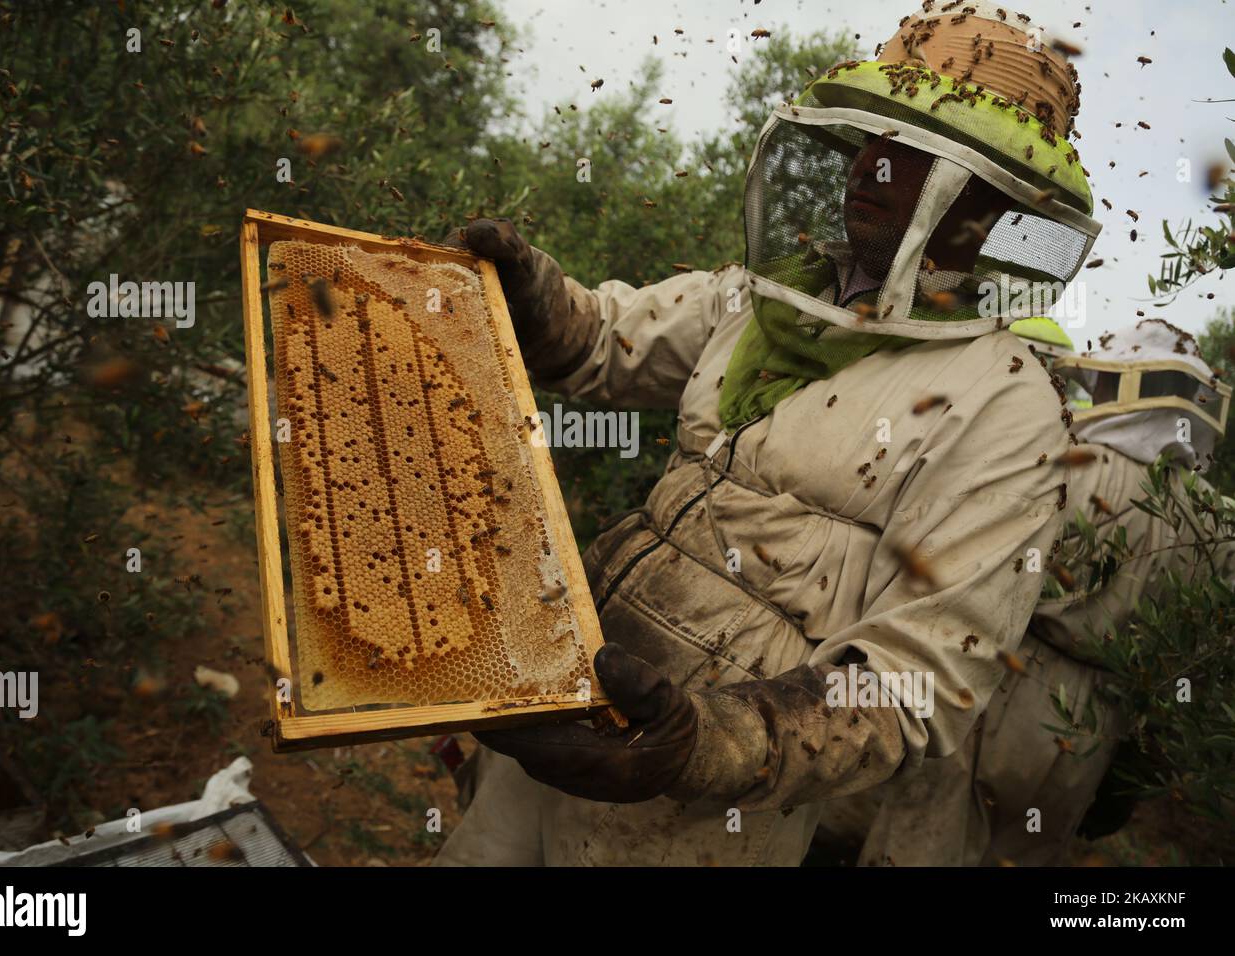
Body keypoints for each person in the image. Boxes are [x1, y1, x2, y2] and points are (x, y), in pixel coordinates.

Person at [436, 1, 1103, 866]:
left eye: (907, 154)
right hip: (571, 682)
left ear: (979, 200)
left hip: (708, 807)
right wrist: (531, 298)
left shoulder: (1009, 405)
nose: (867, 167)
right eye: (869, 138)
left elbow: (917, 678)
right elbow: (606, 339)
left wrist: (709, 743)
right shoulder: (766, 295)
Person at [846, 318, 1232, 865]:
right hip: (1094, 727)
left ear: (1124, 384)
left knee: (923, 845)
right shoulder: (1213, 520)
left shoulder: (1065, 465)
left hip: (1003, 685)